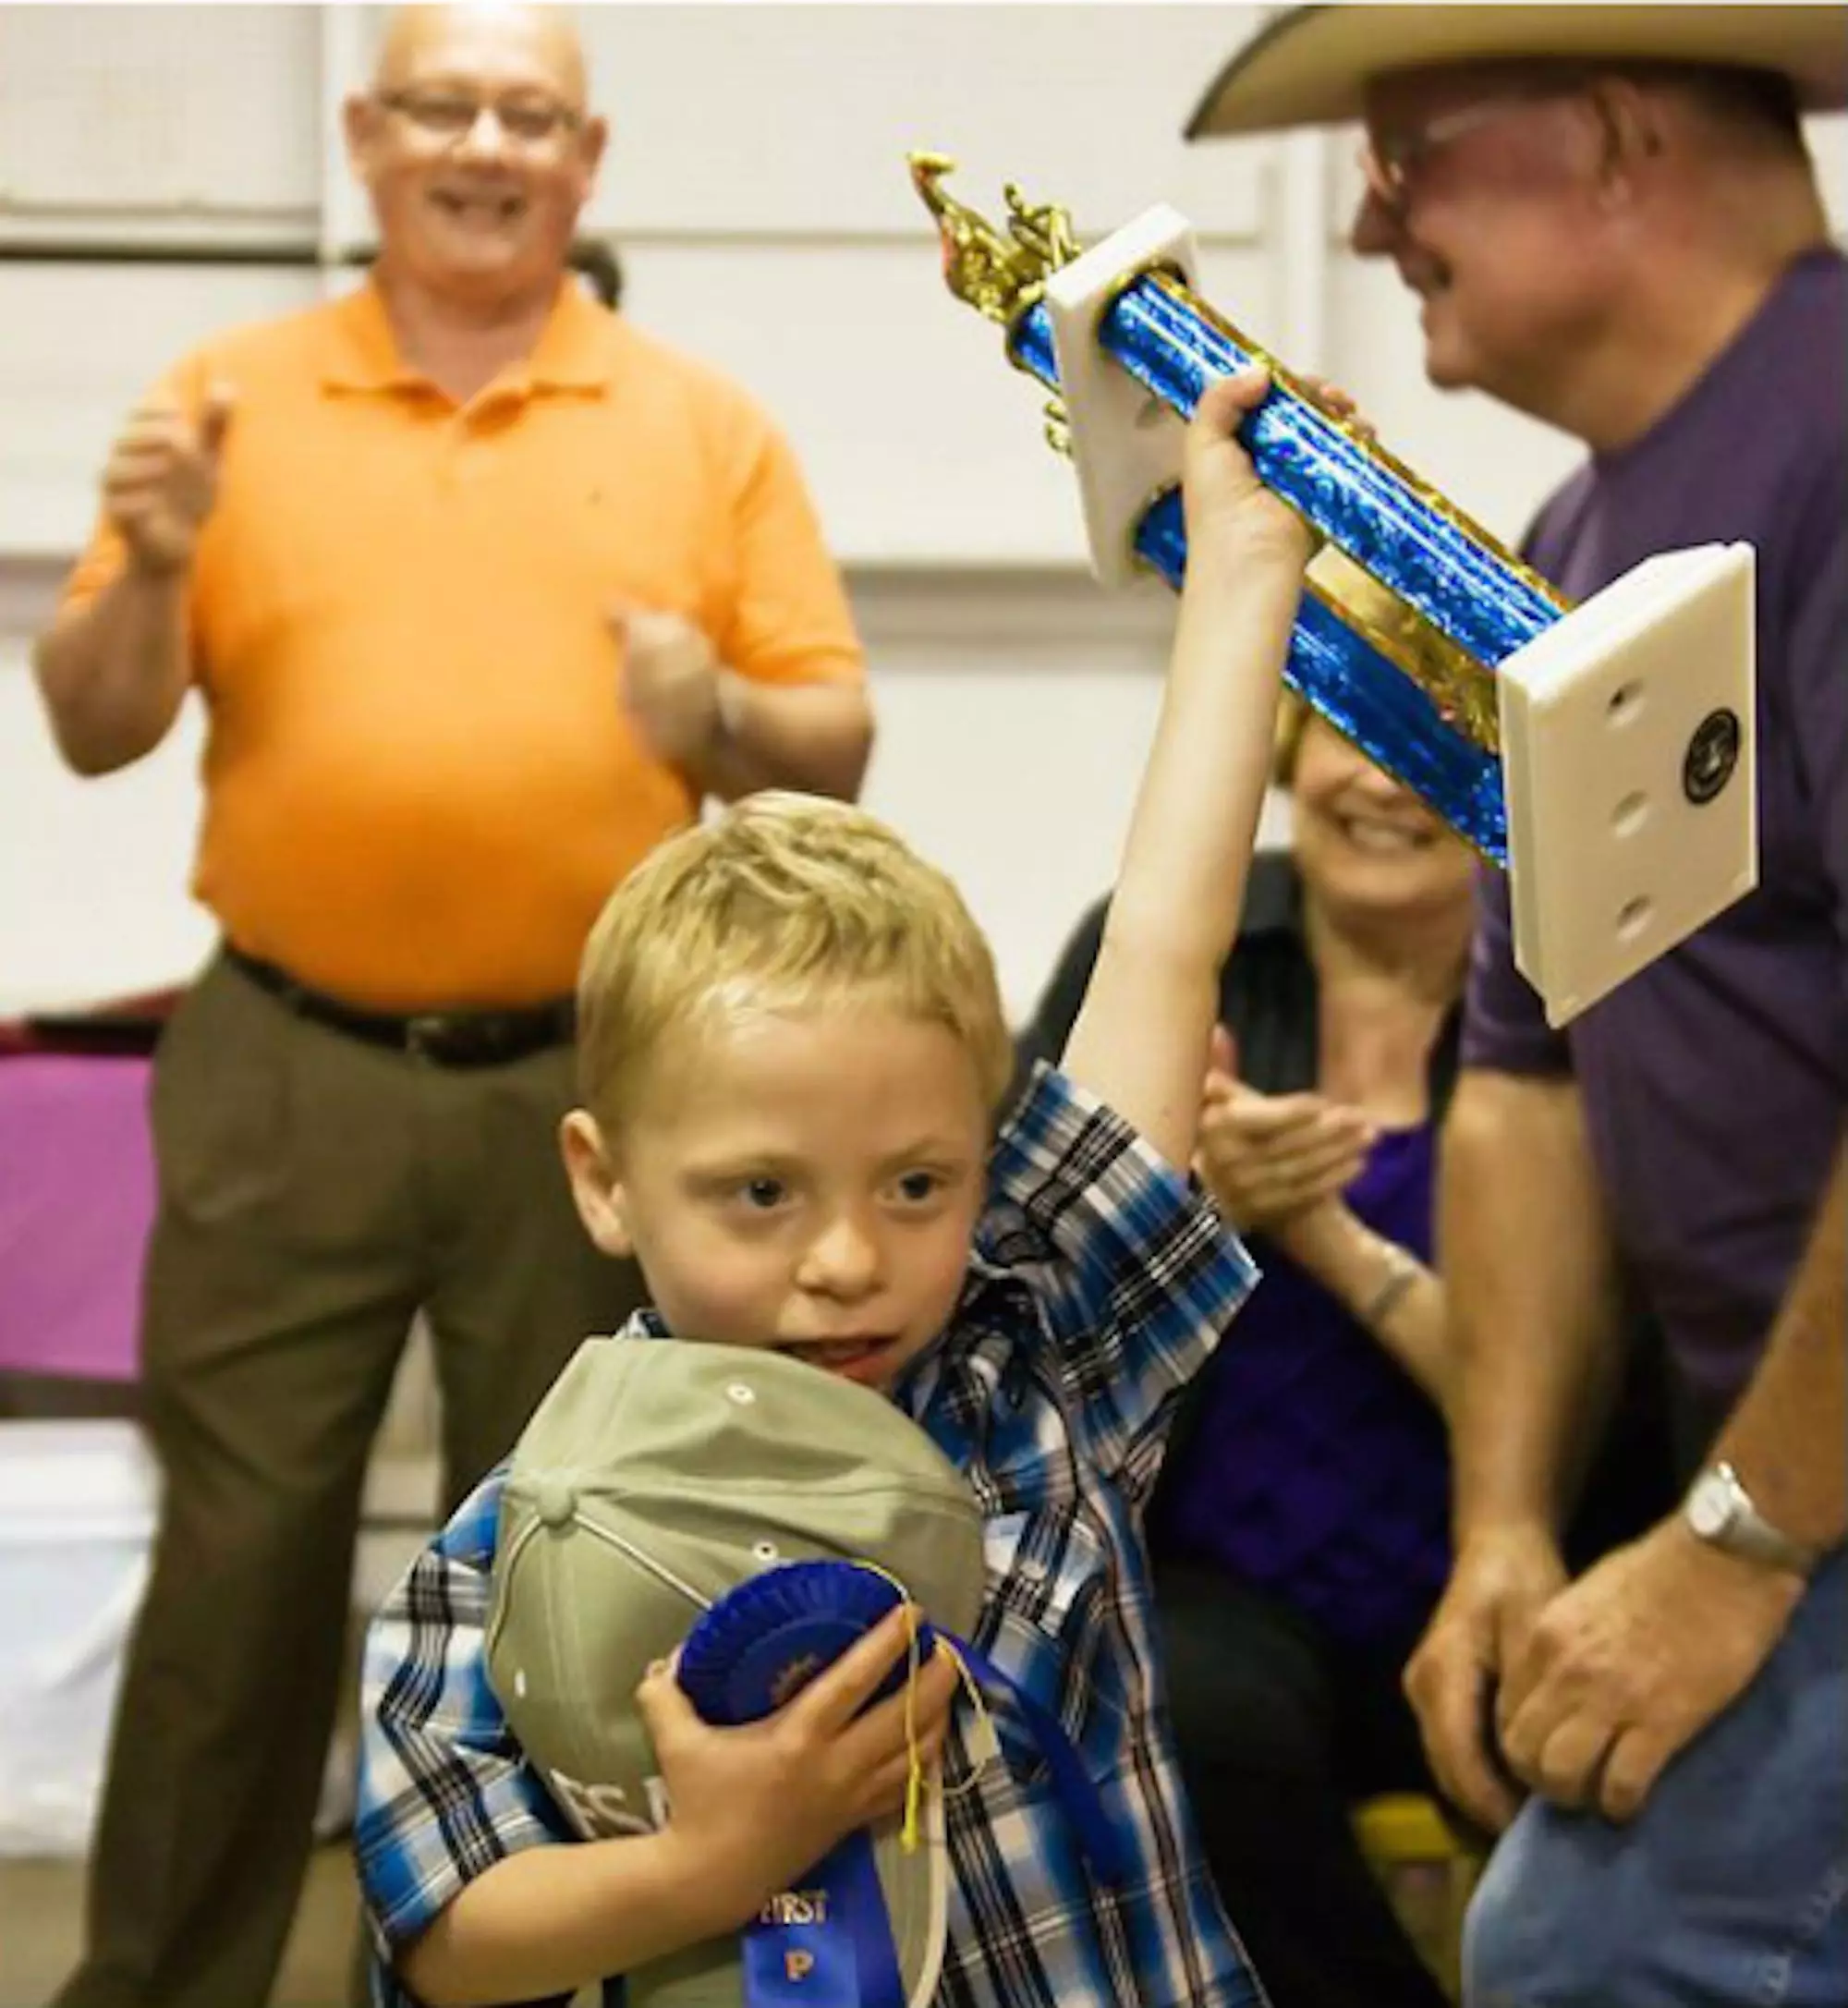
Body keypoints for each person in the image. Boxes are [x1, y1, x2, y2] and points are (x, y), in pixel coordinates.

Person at [30, 6, 870, 2003]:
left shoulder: (695, 419)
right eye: (438, 106)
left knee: (567, 1583)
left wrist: (717, 719)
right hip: (281, 1068)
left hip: (590, 1097)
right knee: (234, 1579)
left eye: (525, 113)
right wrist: (148, 565)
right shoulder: (228, 400)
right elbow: (90, 726)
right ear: (366, 139)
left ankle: (504, 1982)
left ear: (585, 160)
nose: (481, 145)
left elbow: (827, 738)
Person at [355, 364, 1309, 2008]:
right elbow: (441, 1931)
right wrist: (701, 1872)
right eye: (759, 1195)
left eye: (921, 1182)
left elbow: (1162, 942)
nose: (851, 1260)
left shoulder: (1045, 1355)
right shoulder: (518, 1542)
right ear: (604, 1183)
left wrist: (1241, 570)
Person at [1187, 8, 1847, 2003]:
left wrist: (1737, 1540)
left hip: (1796, 1495)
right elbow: (1528, 1077)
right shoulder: (1578, 541)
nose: (1375, 224)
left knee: (1589, 1949)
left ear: (1618, 140)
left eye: (1409, 158)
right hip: (1781, 1466)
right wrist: (1500, 1534)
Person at [1019, 700, 1471, 2008]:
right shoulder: (1165, 956)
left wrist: (1318, 1235)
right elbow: (1021, 1310)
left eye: (1439, 741)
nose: (1387, 780)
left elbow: (1583, 1394)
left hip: (1496, 1570)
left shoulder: (1568, 1000)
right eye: (1356, 730)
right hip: (1218, 1584)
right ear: (1291, 747)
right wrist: (1187, 1206)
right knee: (1183, 1717)